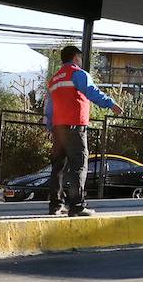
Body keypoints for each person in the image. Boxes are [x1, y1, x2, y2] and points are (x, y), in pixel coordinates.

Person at [44, 45, 123, 217]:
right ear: (76, 58)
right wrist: (111, 103)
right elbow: (91, 91)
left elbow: (49, 107)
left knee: (57, 167)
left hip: (58, 129)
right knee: (79, 166)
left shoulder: (54, 79)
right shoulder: (78, 73)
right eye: (79, 58)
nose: (80, 61)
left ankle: (55, 206)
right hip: (74, 127)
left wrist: (49, 127)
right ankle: (77, 206)